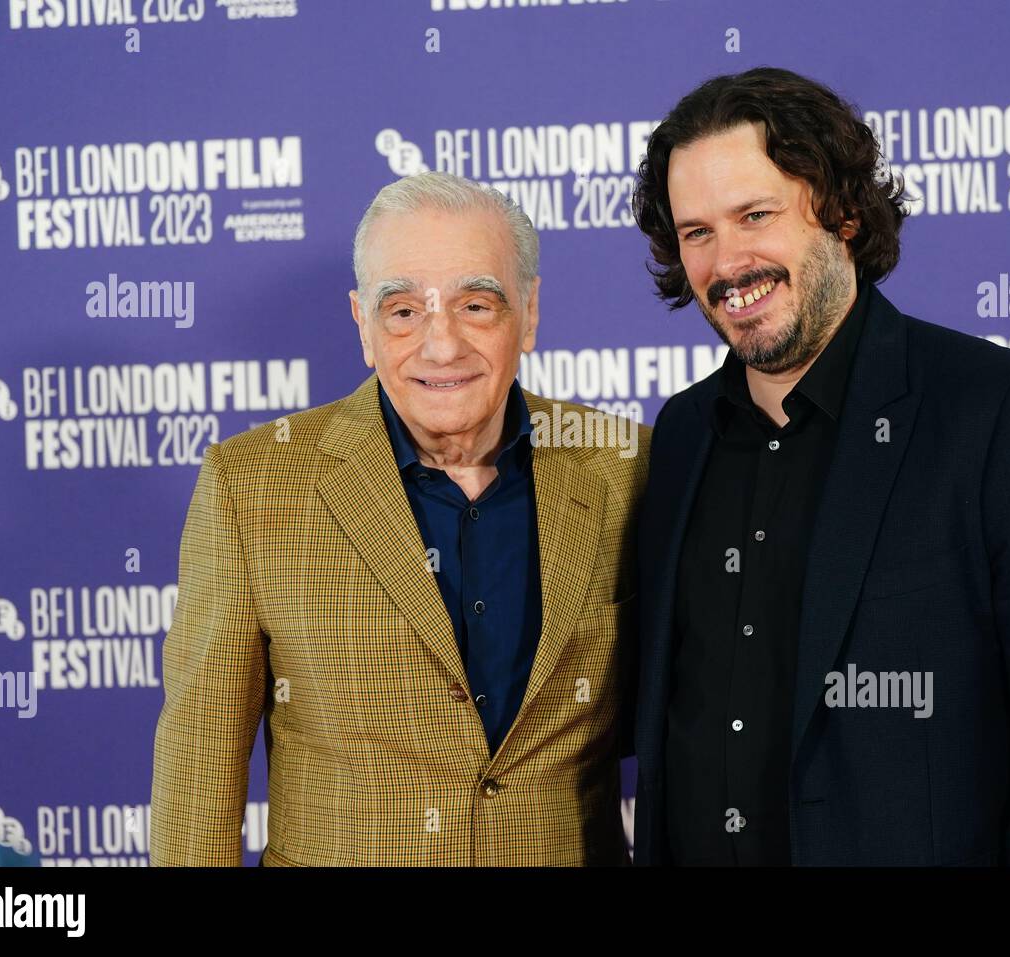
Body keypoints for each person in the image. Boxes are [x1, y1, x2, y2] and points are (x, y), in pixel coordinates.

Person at [629, 67, 1010, 866]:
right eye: (697, 232)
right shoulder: (684, 435)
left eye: (755, 215)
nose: (727, 262)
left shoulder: (1003, 411)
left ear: (839, 211)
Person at [151, 171, 648, 866]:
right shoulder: (253, 486)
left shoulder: (626, 467)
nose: (441, 346)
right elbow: (200, 766)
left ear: (529, 313)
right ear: (363, 324)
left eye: (477, 305)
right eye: (404, 310)